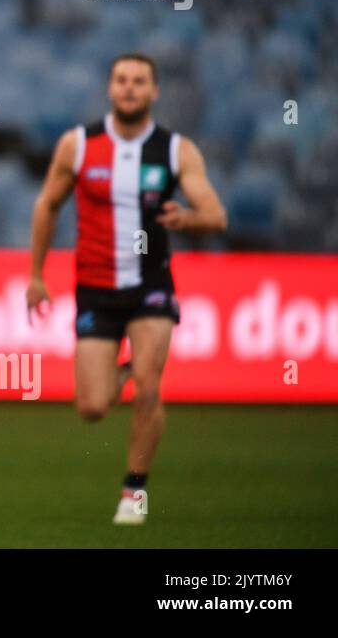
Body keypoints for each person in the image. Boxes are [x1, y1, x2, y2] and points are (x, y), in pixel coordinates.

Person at [27, 52, 227, 525]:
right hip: (95, 287)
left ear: (154, 91)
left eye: (140, 81)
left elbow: (216, 216)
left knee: (150, 389)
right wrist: (35, 275)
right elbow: (47, 204)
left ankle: (133, 491)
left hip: (151, 287)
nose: (130, 88)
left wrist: (189, 218)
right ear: (110, 88)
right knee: (93, 406)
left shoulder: (177, 150)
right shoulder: (78, 145)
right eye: (122, 80)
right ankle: (125, 371)